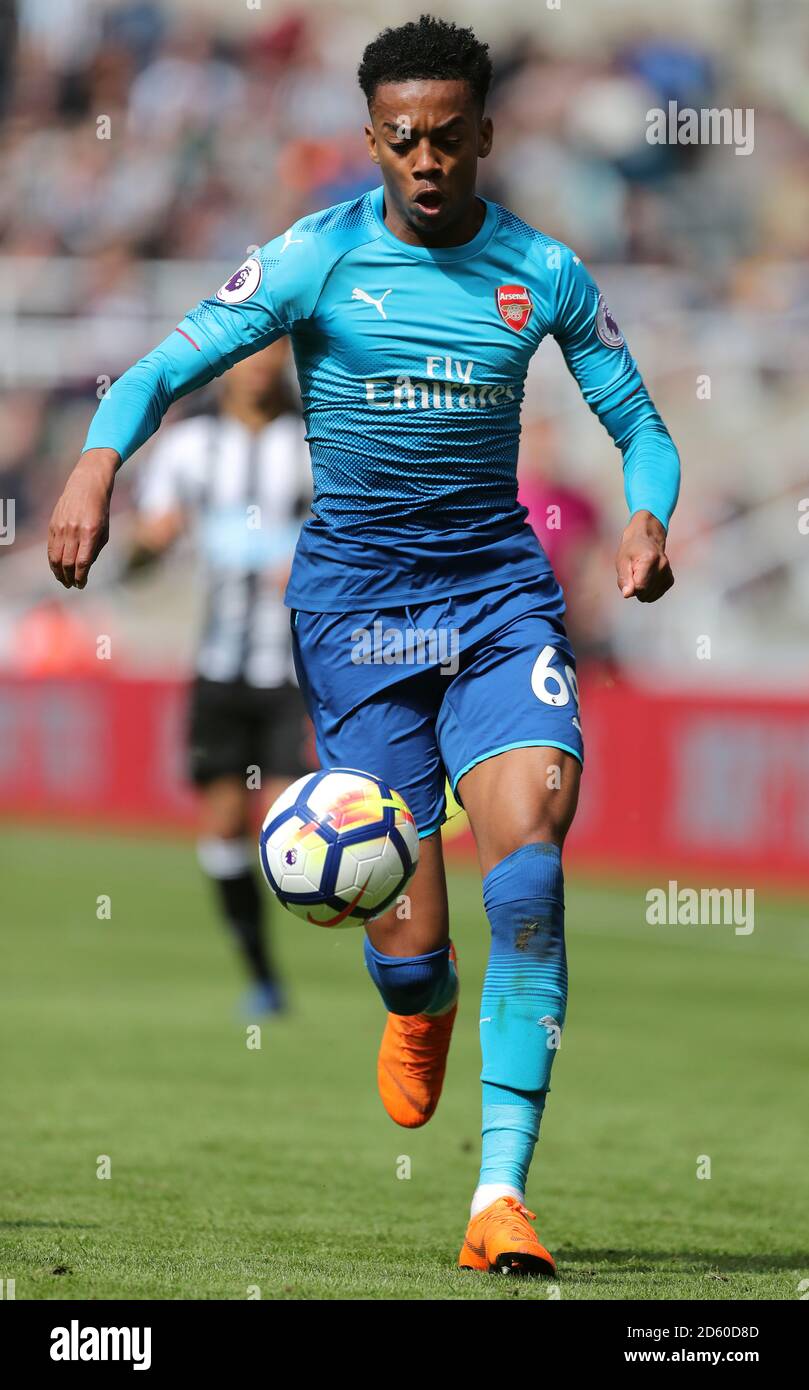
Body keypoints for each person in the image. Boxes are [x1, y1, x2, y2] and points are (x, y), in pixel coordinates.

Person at [48, 16, 679, 1277]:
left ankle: (497, 1195)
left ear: (486, 135)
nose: (427, 160)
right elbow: (156, 368)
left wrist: (650, 511)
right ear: (373, 139)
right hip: (357, 617)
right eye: (403, 140)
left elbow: (640, 424)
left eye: (449, 137)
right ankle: (423, 998)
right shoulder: (313, 257)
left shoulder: (540, 272)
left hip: (499, 602)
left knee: (531, 853)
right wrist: (93, 467)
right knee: (405, 926)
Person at [126, 340, 312, 1015]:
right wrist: (150, 543)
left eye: (275, 349)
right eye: (251, 350)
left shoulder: (312, 441)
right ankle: (262, 976)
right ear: (228, 361)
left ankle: (392, 953)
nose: (261, 363)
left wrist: (313, 568)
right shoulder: (189, 448)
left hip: (293, 666)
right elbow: (137, 562)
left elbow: (355, 540)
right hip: (216, 665)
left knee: (290, 827)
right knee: (223, 824)